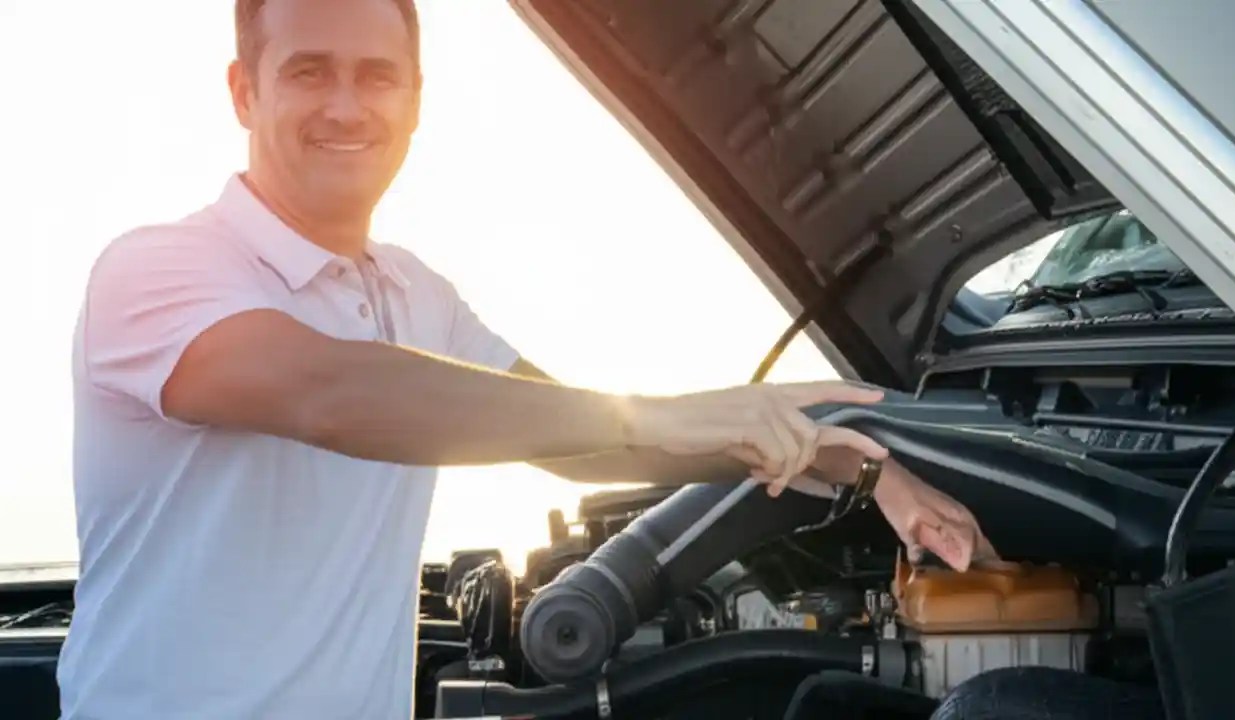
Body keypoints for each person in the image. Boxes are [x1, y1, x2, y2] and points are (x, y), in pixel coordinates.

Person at [56, 0, 995, 717]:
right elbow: (329, 392)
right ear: (243, 91)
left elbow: (585, 437)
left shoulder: (412, 291)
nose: (347, 105)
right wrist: (652, 417)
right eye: (309, 71)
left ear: (416, 102)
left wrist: (861, 451)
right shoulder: (157, 270)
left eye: (378, 76)